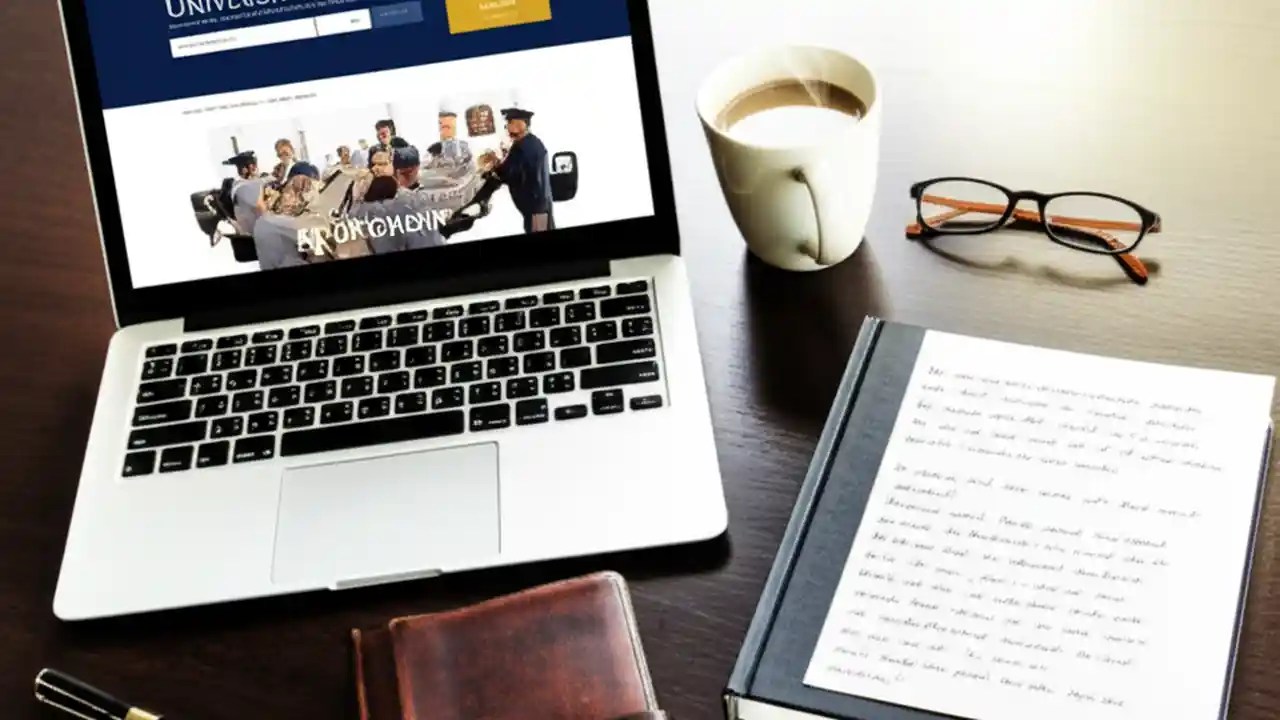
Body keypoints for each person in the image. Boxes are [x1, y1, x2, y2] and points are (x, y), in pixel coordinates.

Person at [484, 104, 554, 233]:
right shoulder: (530, 142)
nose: (507, 126)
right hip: (538, 206)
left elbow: (510, 172)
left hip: (536, 208)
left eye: (510, 122)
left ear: (522, 124)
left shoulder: (524, 146)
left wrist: (494, 166)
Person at [222, 151, 266, 236]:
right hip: (253, 233)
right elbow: (261, 209)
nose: (255, 167)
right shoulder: (246, 186)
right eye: (252, 165)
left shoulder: (240, 184)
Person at [428, 103, 473, 171]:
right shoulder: (434, 149)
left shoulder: (464, 147)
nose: (444, 130)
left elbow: (468, 164)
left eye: (448, 127)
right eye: (442, 127)